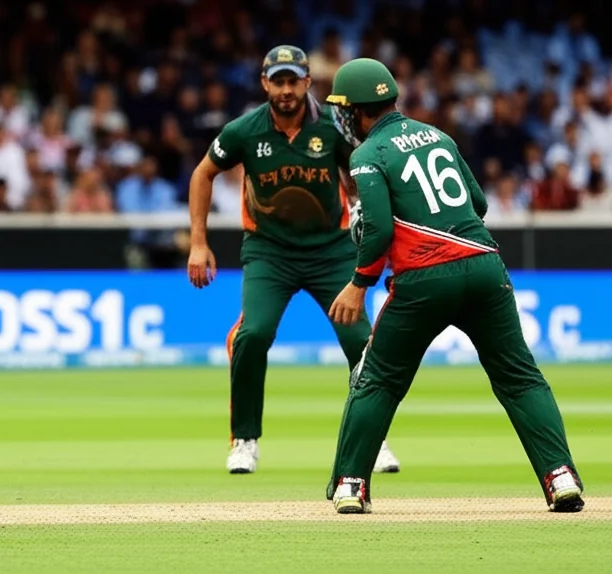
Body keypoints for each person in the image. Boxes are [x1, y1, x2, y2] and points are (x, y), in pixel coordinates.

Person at [323, 58, 584, 514]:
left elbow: (380, 230)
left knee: (377, 379)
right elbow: (478, 203)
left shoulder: (367, 155)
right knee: (520, 378)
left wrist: (358, 284)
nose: (341, 117)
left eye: (343, 108)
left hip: (424, 280)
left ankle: (350, 484)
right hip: (485, 267)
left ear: (358, 110)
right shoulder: (439, 136)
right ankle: (560, 476)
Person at [187, 46, 399, 475]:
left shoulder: (335, 129)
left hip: (332, 250)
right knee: (252, 334)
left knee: (361, 340)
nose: (286, 90)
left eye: (293, 81)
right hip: (270, 251)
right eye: (277, 81)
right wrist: (198, 242)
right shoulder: (245, 130)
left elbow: (364, 171)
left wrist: (364, 208)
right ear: (265, 83)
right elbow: (202, 173)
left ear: (307, 82)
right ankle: (244, 440)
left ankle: (373, 441)